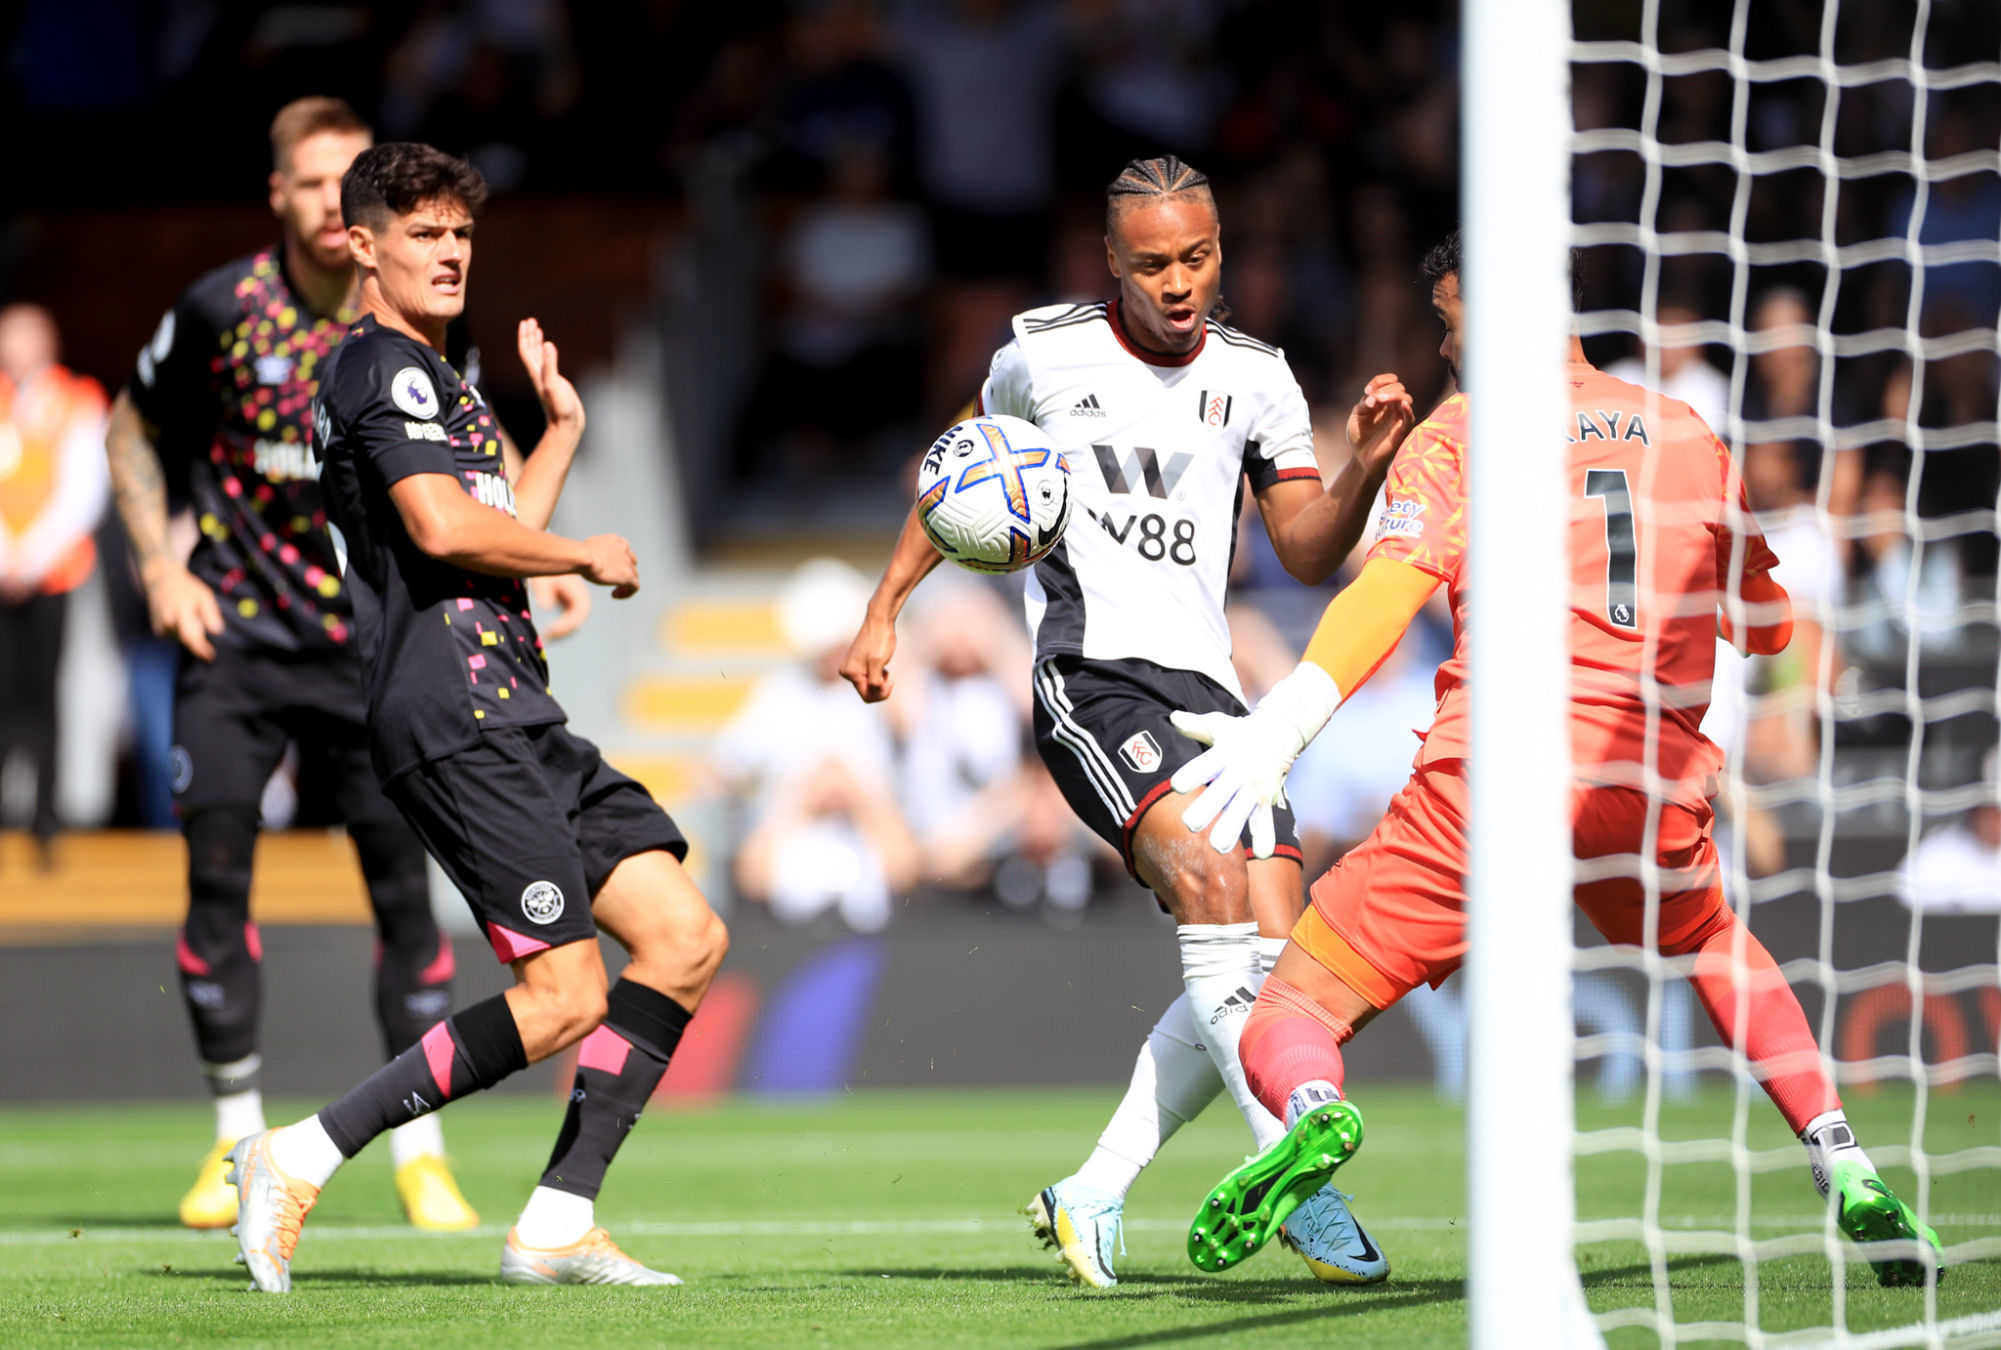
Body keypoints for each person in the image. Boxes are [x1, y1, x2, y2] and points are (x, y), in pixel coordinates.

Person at [1172, 233, 1944, 1290]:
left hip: (1492, 778)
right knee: (1712, 940)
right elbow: (1768, 628)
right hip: (1645, 780)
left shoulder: (1461, 435)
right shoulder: (1685, 432)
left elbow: (1384, 595)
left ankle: (1313, 1109)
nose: (1447, 348)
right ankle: (1842, 1158)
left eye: (1451, 323)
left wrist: (1283, 724)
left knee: (1291, 1009)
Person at [842, 154, 1415, 1288]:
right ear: (1112, 260)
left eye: (1196, 256)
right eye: (1152, 263)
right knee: (1204, 880)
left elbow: (1307, 549)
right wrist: (882, 611)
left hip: (1216, 699)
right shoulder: (1038, 354)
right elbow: (953, 478)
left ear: (1221, 249)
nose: (1178, 281)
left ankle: (1093, 1190)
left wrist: (1363, 469)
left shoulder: (1257, 377)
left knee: (1273, 959)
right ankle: (1298, 1183)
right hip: (1092, 677)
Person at [225, 141, 727, 1294]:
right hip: (451, 709)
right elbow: (445, 531)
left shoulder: (440, 378)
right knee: (566, 996)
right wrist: (584, 554)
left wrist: (559, 435)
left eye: (461, 233)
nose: (451, 253)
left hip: (516, 707)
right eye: (424, 234)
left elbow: (489, 532)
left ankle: (556, 1223)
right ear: (363, 246)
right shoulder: (377, 368)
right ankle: (298, 1154)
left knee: (684, 938)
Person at [105, 98, 580, 1231]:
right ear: (281, 194)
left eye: (345, 179)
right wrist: (161, 571)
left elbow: (464, 434)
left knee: (403, 894)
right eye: (312, 181)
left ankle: (422, 1155)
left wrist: (534, 538)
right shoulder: (223, 310)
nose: (330, 199)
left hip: (369, 649)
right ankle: (233, 1139)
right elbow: (130, 429)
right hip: (237, 639)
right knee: (218, 875)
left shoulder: (419, 318)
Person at [0, 304, 109, 854]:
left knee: (43, 693)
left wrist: (31, 558)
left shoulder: (77, 399)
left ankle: (44, 812)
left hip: (54, 574)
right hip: (2, 570)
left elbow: (83, 492)